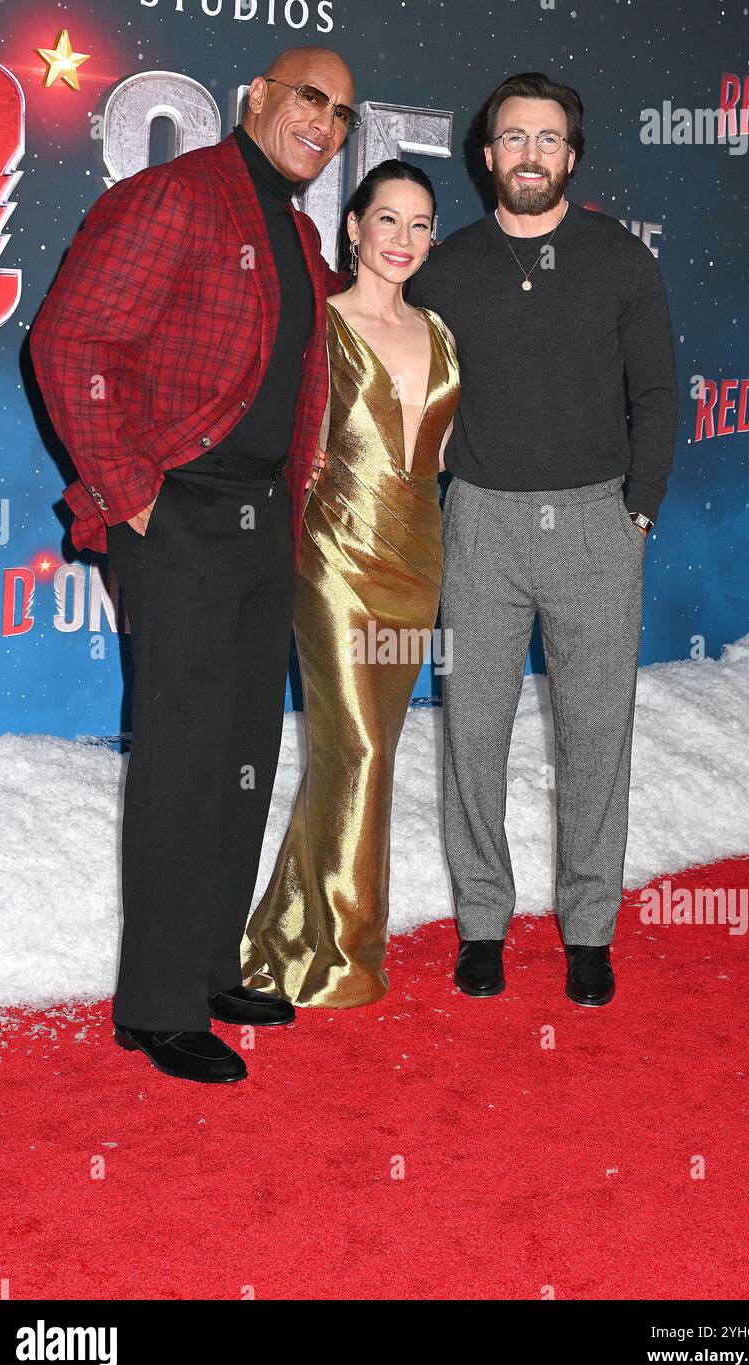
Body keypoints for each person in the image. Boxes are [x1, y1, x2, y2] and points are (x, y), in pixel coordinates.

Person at [30, 47, 355, 1083]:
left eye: (343, 114)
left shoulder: (300, 234)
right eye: (310, 97)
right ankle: (156, 1007)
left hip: (265, 526)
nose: (326, 123)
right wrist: (133, 496)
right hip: (181, 519)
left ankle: (212, 964)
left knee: (244, 752)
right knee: (181, 759)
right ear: (255, 97)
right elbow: (68, 342)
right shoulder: (177, 195)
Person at [404, 71, 679, 1007]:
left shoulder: (619, 260)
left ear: (572, 155)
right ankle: (483, 922)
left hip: (599, 524)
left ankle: (590, 931)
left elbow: (657, 396)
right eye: (513, 137)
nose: (530, 153)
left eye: (548, 139)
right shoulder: (445, 269)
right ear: (487, 158)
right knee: (472, 736)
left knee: (598, 736)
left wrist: (636, 511)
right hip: (479, 522)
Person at [240, 160, 460, 1008]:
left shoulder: (441, 333)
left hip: (419, 558)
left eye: (419, 224)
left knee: (361, 755)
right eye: (387, 221)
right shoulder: (319, 322)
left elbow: (435, 461)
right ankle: (341, 952)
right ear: (353, 229)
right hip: (333, 559)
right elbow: (292, 440)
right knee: (358, 748)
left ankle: (289, 932)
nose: (403, 240)